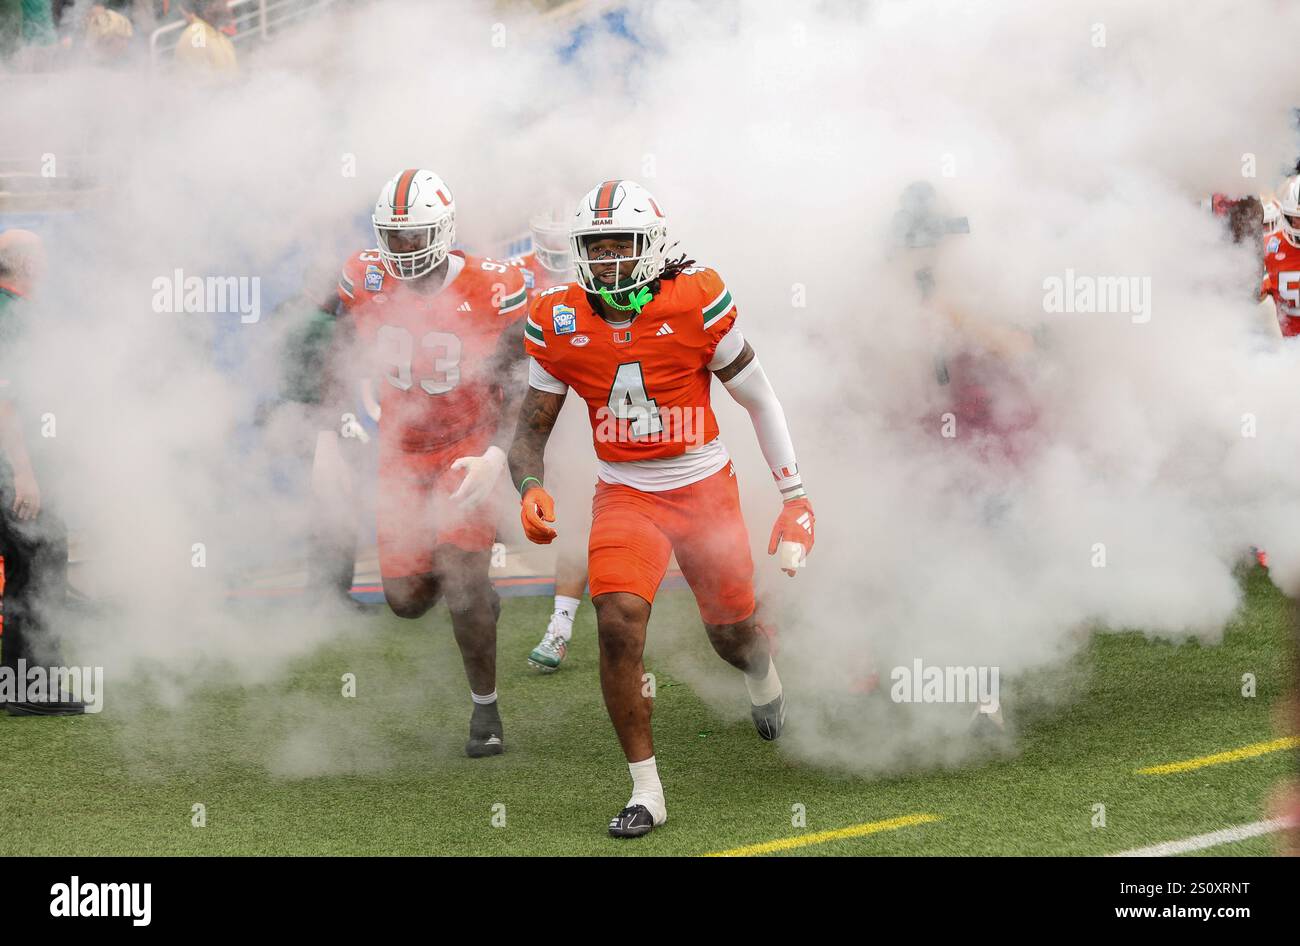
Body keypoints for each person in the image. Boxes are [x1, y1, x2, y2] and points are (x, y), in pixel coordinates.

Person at [507, 180, 815, 836]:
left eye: (622, 243)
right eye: (596, 245)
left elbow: (759, 399)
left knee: (733, 636)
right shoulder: (558, 316)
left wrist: (795, 496)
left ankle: (761, 667)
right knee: (617, 622)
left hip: (703, 486)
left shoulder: (695, 299)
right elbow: (529, 431)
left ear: (654, 246)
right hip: (625, 492)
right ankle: (646, 790)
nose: (609, 258)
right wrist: (529, 486)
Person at [319, 169, 530, 756]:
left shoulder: (493, 285)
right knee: (407, 600)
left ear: (444, 232)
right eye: (395, 236)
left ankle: (485, 709)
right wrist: (325, 439)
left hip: (466, 445)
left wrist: (496, 453)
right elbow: (336, 351)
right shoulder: (365, 277)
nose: (405, 249)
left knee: (462, 581)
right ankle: (478, 595)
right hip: (401, 450)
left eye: (416, 236)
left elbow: (521, 377)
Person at [0, 230, 83, 716]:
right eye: (43, 258)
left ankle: (17, 684)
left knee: (27, 575)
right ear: (27, 265)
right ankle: (35, 690)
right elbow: (5, 402)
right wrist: (25, 473)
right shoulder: (16, 316)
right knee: (40, 572)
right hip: (14, 474)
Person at [516, 210, 588, 672]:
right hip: (552, 402)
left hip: (606, 405)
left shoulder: (605, 269)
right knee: (574, 516)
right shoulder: (515, 278)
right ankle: (561, 625)